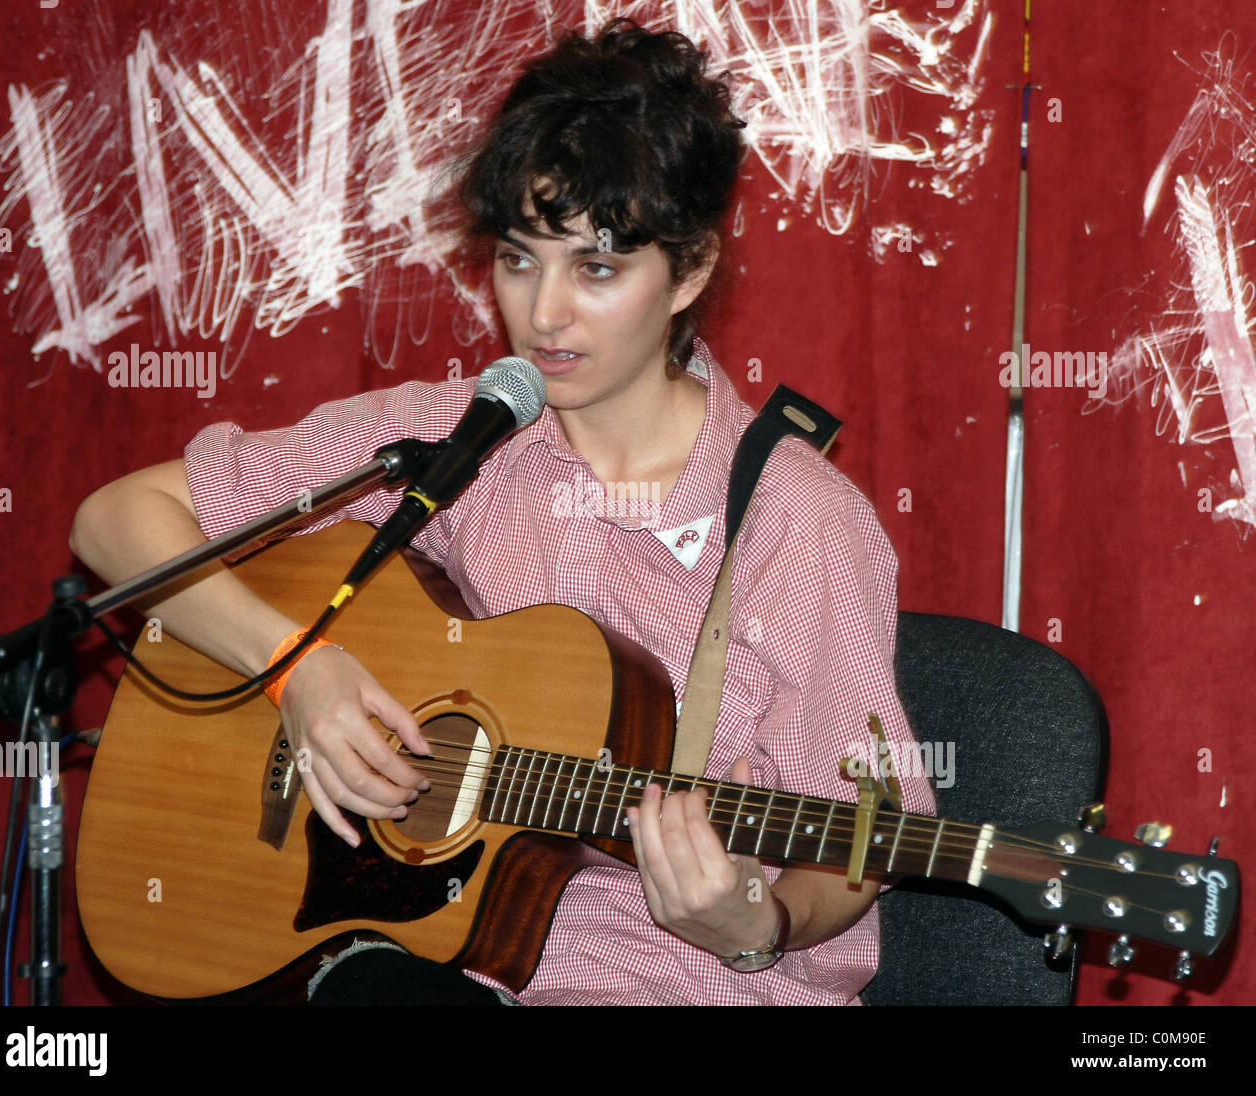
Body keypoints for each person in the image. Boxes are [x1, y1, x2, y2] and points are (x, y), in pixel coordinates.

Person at [70, 18, 935, 1005]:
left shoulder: (795, 521)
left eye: (596, 269)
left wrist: (756, 920)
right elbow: (119, 520)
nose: (544, 313)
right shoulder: (462, 432)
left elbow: (863, 832)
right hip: (441, 960)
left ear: (689, 271)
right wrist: (294, 667)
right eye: (519, 259)